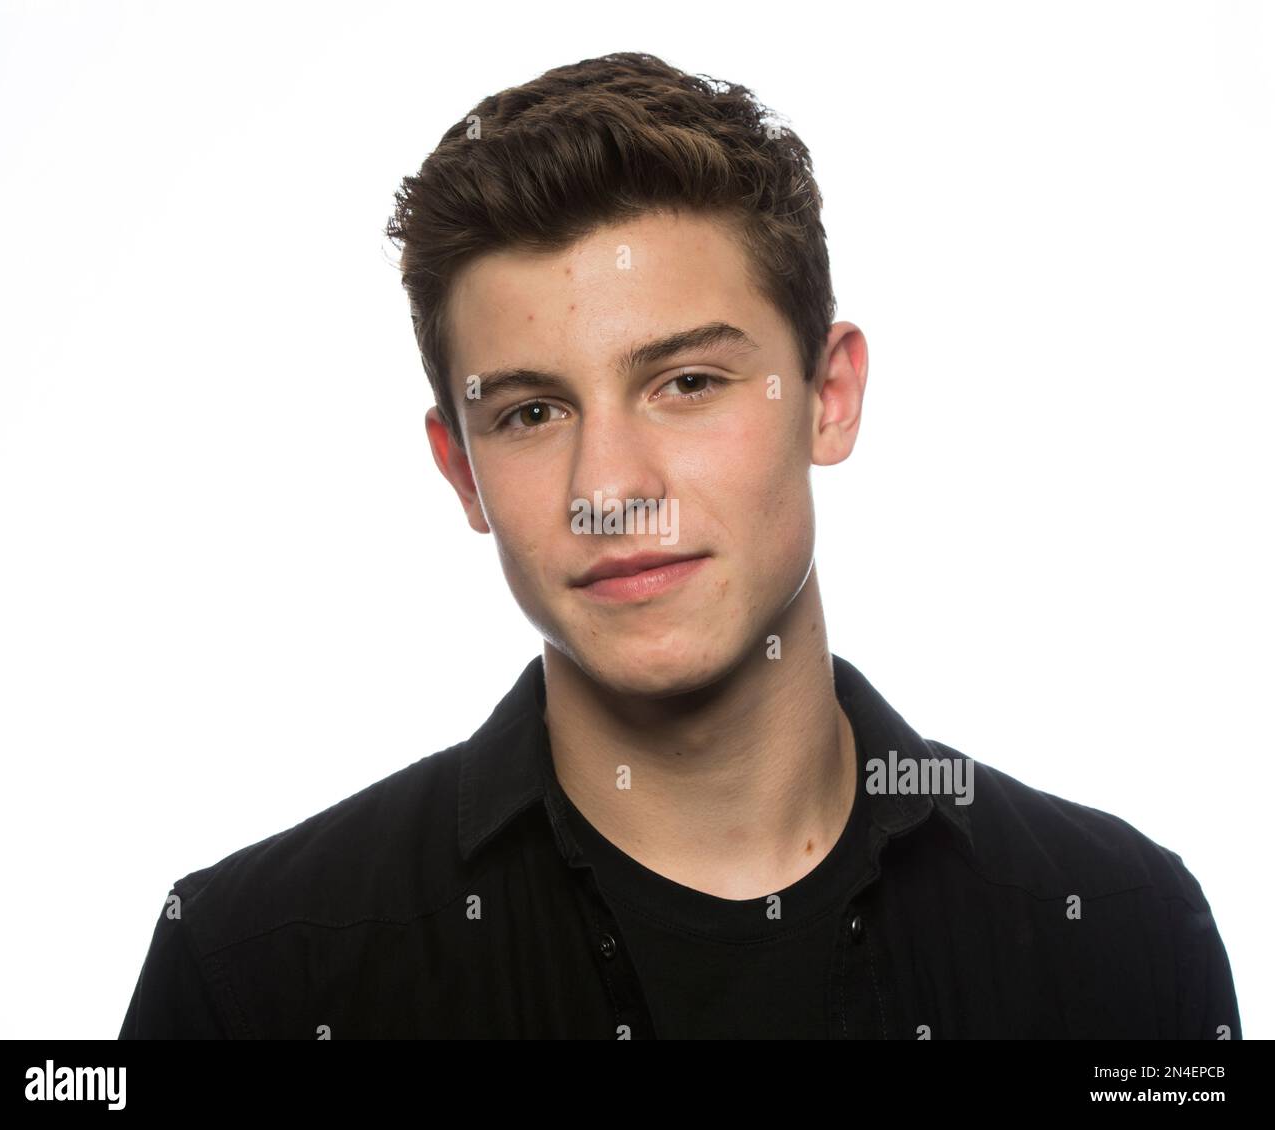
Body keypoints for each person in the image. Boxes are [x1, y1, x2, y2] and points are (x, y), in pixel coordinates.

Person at [118, 51, 1241, 1040]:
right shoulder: (254, 971)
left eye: (687, 382)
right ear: (460, 467)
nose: (609, 489)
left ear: (828, 396)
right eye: (529, 412)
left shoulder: (1121, 932)